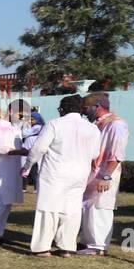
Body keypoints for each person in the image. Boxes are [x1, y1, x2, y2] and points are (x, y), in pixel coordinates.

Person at [26, 95, 100, 257]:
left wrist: (27, 166)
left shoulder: (54, 124)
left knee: (48, 208)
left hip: (55, 173)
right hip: (79, 174)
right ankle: (66, 246)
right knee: (72, 210)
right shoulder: (92, 128)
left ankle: (42, 247)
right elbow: (95, 153)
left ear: (62, 109)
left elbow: (38, 148)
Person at [78, 92, 129, 257]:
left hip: (105, 174)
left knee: (101, 208)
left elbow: (117, 153)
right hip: (94, 173)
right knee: (89, 207)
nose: (84, 112)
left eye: (86, 108)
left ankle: (98, 245)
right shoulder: (98, 124)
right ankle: (87, 241)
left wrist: (106, 176)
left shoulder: (116, 124)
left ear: (97, 107)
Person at [0, 100, 31, 244]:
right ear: (11, 111)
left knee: (7, 202)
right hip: (0, 169)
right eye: (20, 115)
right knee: (0, 201)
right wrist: (24, 152)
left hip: (11, 169)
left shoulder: (14, 128)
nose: (22, 118)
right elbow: (0, 148)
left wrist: (24, 152)